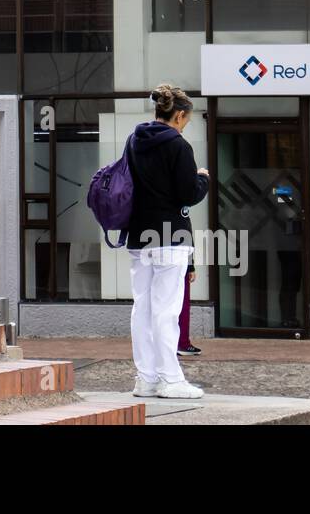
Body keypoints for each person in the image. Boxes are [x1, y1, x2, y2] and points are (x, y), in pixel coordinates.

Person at [127, 84, 209, 399]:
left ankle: (145, 379)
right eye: (186, 119)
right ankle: (171, 380)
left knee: (143, 308)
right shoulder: (178, 146)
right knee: (166, 310)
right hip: (169, 237)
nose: (185, 124)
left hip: (138, 236)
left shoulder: (134, 141)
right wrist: (202, 178)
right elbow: (188, 193)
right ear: (178, 115)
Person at [177, 264, 201, 356]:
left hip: (148, 257)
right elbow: (188, 249)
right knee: (182, 304)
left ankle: (156, 345)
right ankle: (182, 343)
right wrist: (190, 267)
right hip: (177, 261)